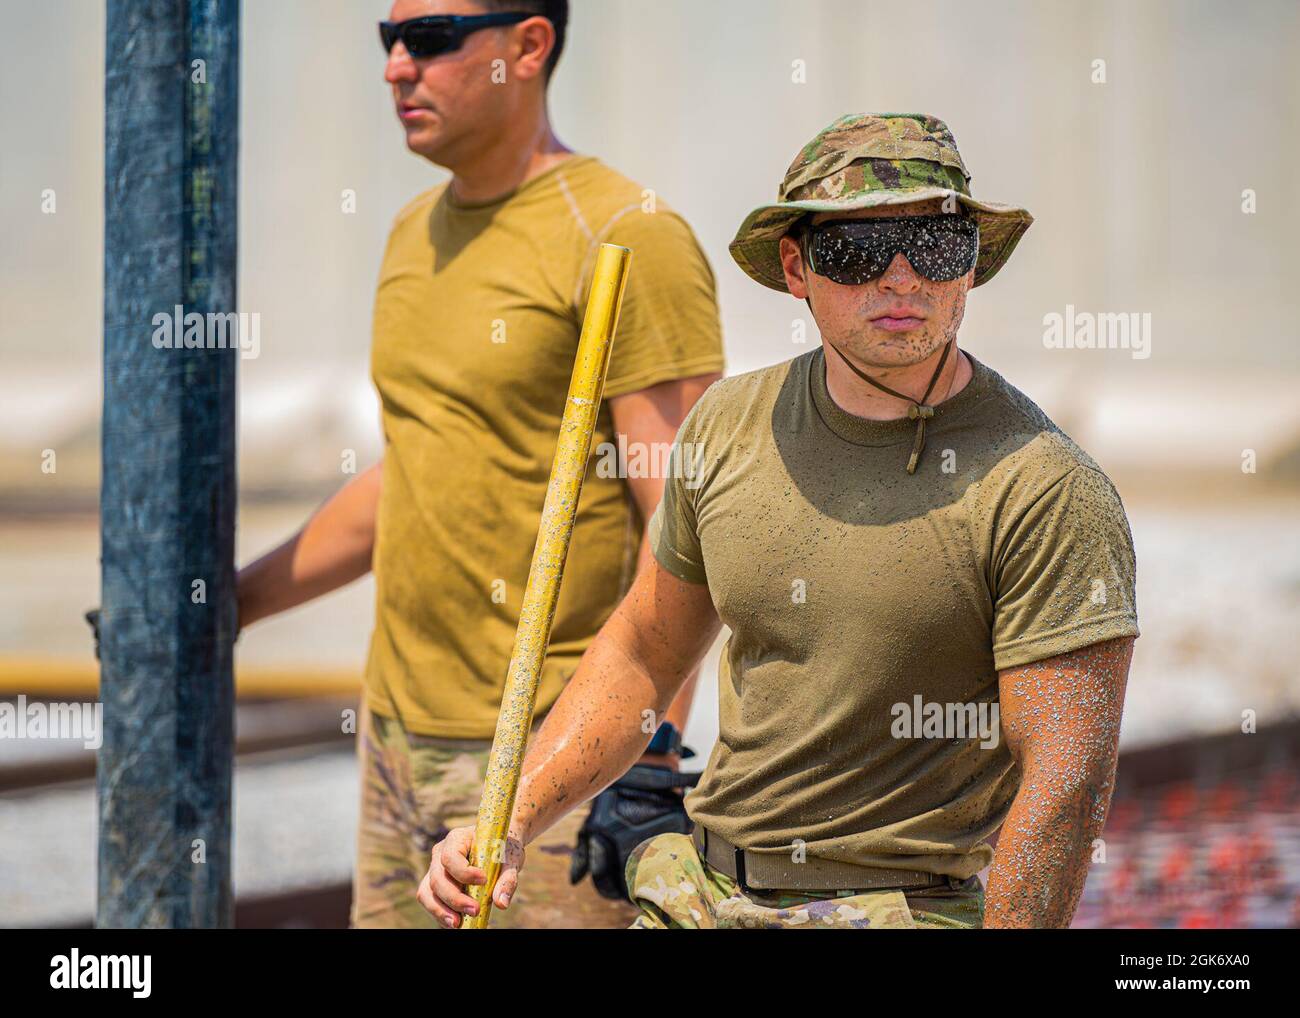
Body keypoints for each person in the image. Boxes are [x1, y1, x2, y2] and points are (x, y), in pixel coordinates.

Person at [419, 113, 1140, 929]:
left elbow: (1065, 784)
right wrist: (509, 818)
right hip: (697, 893)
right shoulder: (729, 424)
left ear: (971, 265)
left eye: (935, 245)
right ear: (796, 266)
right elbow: (644, 652)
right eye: (860, 251)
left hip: (896, 909)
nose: (903, 278)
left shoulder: (1043, 485)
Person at [235, 0, 724, 928]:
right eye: (388, 41)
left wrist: (648, 758)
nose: (395, 69)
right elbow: (414, 475)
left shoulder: (627, 235)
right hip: (393, 745)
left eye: (427, 40)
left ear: (528, 46)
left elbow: (688, 530)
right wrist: (232, 606)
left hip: (543, 760)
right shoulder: (412, 233)